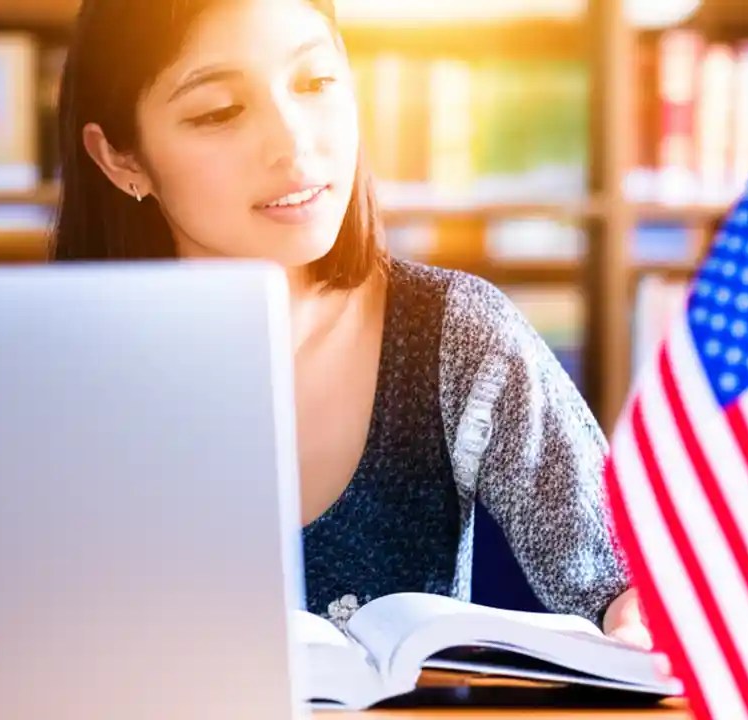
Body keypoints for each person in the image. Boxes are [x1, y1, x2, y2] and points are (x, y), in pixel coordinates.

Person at [51, 0, 651, 648]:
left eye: (315, 83)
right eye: (219, 111)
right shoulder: (54, 373)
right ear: (120, 158)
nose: (293, 143)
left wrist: (642, 614)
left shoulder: (458, 337)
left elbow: (624, 585)